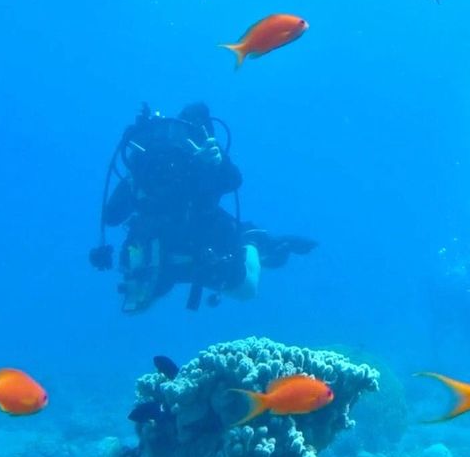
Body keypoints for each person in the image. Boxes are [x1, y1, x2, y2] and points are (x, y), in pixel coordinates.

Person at [88, 102, 315, 313]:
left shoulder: (204, 162)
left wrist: (217, 163)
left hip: (205, 240)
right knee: (134, 305)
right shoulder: (145, 167)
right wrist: (138, 179)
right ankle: (253, 241)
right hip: (158, 245)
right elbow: (112, 216)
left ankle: (252, 239)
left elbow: (233, 180)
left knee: (246, 288)